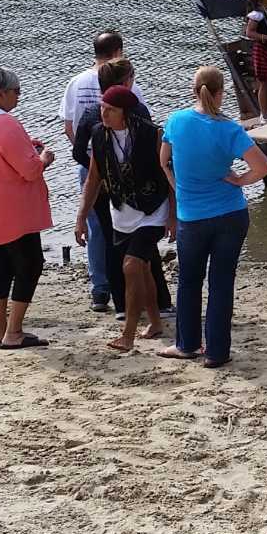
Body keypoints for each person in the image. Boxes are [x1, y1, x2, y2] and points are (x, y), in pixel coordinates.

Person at [159, 66, 267, 368]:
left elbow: (164, 161)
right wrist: (240, 181)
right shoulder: (229, 128)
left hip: (192, 216)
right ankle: (217, 352)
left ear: (194, 90)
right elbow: (263, 167)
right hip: (230, 214)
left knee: (189, 281)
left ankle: (187, 344)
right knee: (221, 283)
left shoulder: (176, 120)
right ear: (221, 94)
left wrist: (179, 187)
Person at [74, 85, 174, 354]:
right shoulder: (99, 134)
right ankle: (154, 323)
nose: (104, 114)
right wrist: (81, 216)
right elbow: (94, 178)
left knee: (130, 266)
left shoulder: (153, 134)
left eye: (111, 110)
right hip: (121, 211)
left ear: (126, 112)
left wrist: (174, 216)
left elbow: (169, 174)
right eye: (103, 108)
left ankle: (127, 335)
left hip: (153, 209)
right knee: (141, 269)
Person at [60, 29, 147, 311]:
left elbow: (69, 127)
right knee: (128, 224)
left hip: (89, 165)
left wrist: (92, 158)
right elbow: (143, 126)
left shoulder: (76, 82)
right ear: (118, 52)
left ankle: (100, 289)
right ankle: (129, 287)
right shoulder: (127, 83)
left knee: (96, 228)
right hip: (123, 168)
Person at [0, 65, 54, 351]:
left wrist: (25, 146)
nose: (19, 96)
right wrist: (44, 157)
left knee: (0, 264)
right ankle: (14, 330)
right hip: (14, 209)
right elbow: (30, 170)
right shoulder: (5, 123)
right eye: (16, 92)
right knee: (30, 264)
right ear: (1, 93)